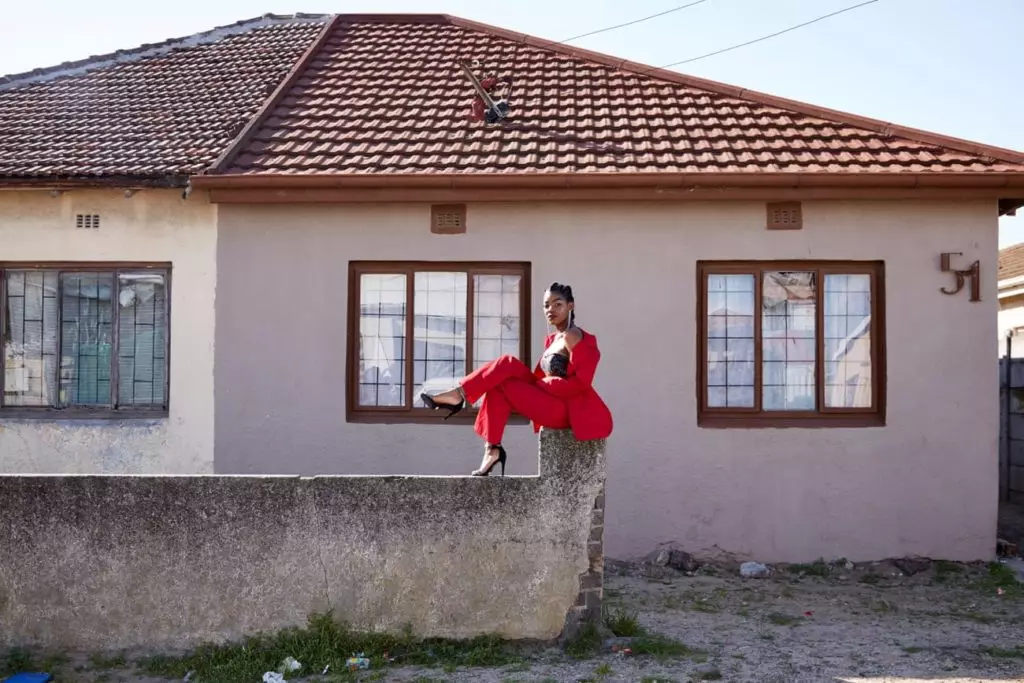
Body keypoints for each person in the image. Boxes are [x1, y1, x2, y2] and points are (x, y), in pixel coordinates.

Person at [420, 282, 613, 476]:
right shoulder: (554, 339)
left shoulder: (575, 336)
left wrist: (548, 384)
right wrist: (543, 384)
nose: (550, 309)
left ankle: (459, 397)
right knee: (505, 365)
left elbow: (582, 382)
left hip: (566, 409)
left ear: (571, 306)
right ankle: (492, 448)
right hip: (547, 396)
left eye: (557, 304)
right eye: (546, 305)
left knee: (502, 380)